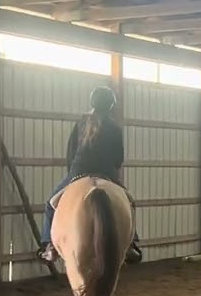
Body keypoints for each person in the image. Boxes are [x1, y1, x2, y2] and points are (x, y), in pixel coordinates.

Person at [37, 85, 143, 265]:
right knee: (129, 203)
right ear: (111, 105)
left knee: (50, 204)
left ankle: (49, 246)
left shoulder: (81, 123)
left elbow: (71, 153)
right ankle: (130, 244)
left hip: (79, 171)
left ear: (92, 103)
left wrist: (73, 175)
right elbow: (118, 158)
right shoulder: (115, 128)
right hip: (106, 173)